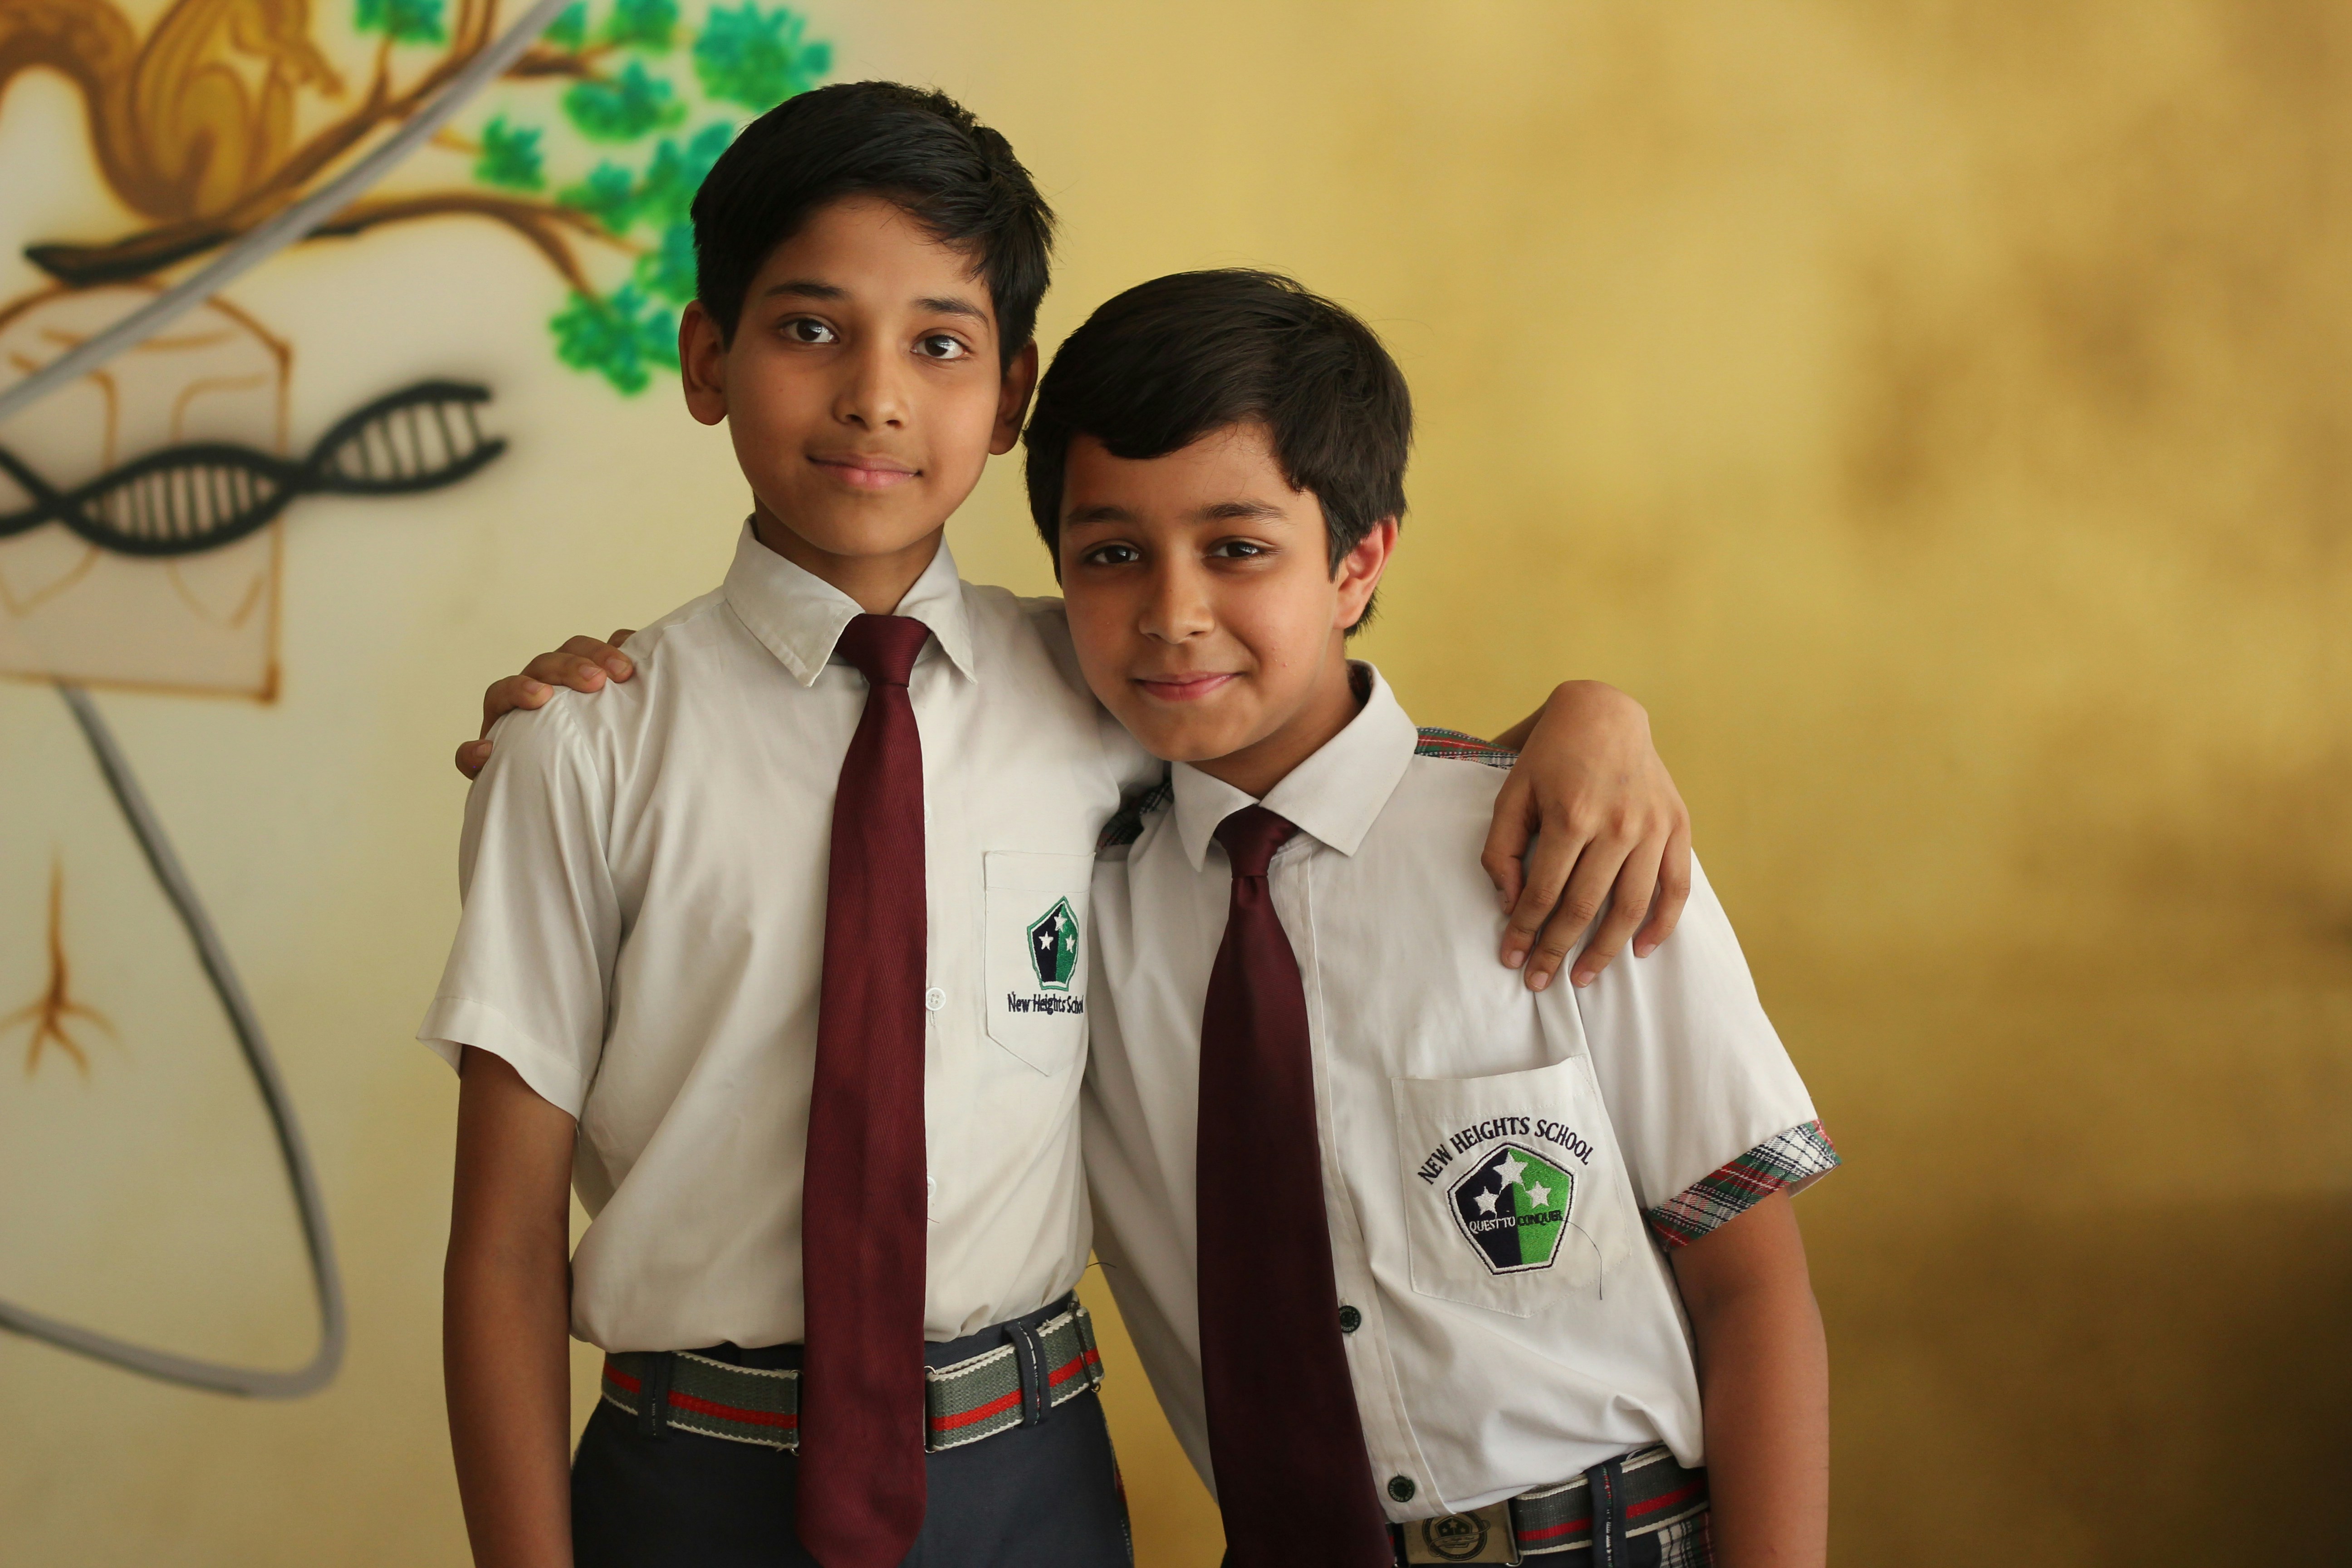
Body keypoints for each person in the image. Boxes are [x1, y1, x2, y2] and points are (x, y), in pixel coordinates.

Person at [427, 84, 1695, 1568]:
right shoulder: (584, 748)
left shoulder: (1104, 683)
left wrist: (1594, 715)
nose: (876, 397)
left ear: (1014, 392)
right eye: (809, 328)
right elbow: (505, 1249)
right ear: (708, 358)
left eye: (941, 345)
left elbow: (1333, 748)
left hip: (1028, 1473)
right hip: (690, 1481)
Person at [1032, 271, 1837, 1567]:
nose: (1172, 611)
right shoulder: (1072, 917)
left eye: (1239, 548)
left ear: (1360, 561)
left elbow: (1750, 1288)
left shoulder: (1567, 850)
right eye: (1111, 553)